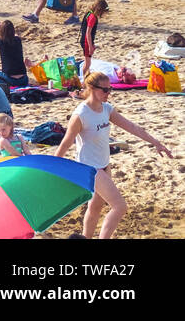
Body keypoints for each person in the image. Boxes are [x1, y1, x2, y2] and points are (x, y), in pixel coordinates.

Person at [54, 71, 174, 239]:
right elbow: (66, 142)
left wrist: (156, 143)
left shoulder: (106, 109)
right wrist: (53, 165)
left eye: (110, 89)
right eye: (105, 90)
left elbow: (132, 127)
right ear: (91, 88)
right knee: (120, 207)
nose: (108, 93)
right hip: (89, 168)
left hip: (104, 164)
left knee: (95, 207)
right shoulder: (81, 115)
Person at [0, 19, 33, 88]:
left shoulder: (0, 41)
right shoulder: (18, 40)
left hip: (9, 80)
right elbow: (14, 35)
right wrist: (3, 28)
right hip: (24, 80)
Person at [80, 0, 109, 78]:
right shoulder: (93, 17)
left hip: (85, 40)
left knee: (87, 63)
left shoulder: (89, 14)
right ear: (100, 10)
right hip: (86, 41)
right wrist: (90, 46)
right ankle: (84, 80)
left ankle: (85, 79)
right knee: (87, 63)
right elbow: (88, 33)